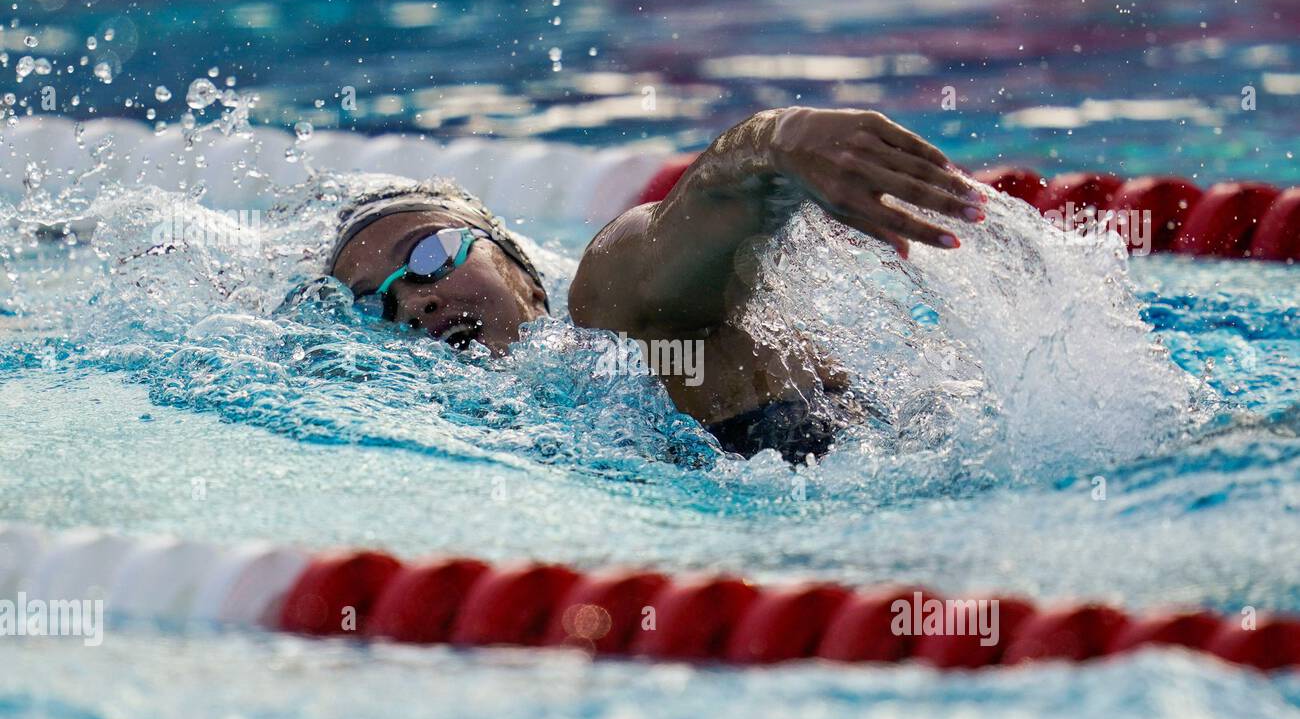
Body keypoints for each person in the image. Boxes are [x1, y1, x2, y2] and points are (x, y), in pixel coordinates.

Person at [326, 107, 986, 463]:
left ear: (519, 268)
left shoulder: (607, 310)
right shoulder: (514, 425)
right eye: (375, 298)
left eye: (429, 253)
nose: (416, 298)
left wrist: (776, 144)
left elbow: (685, 227)